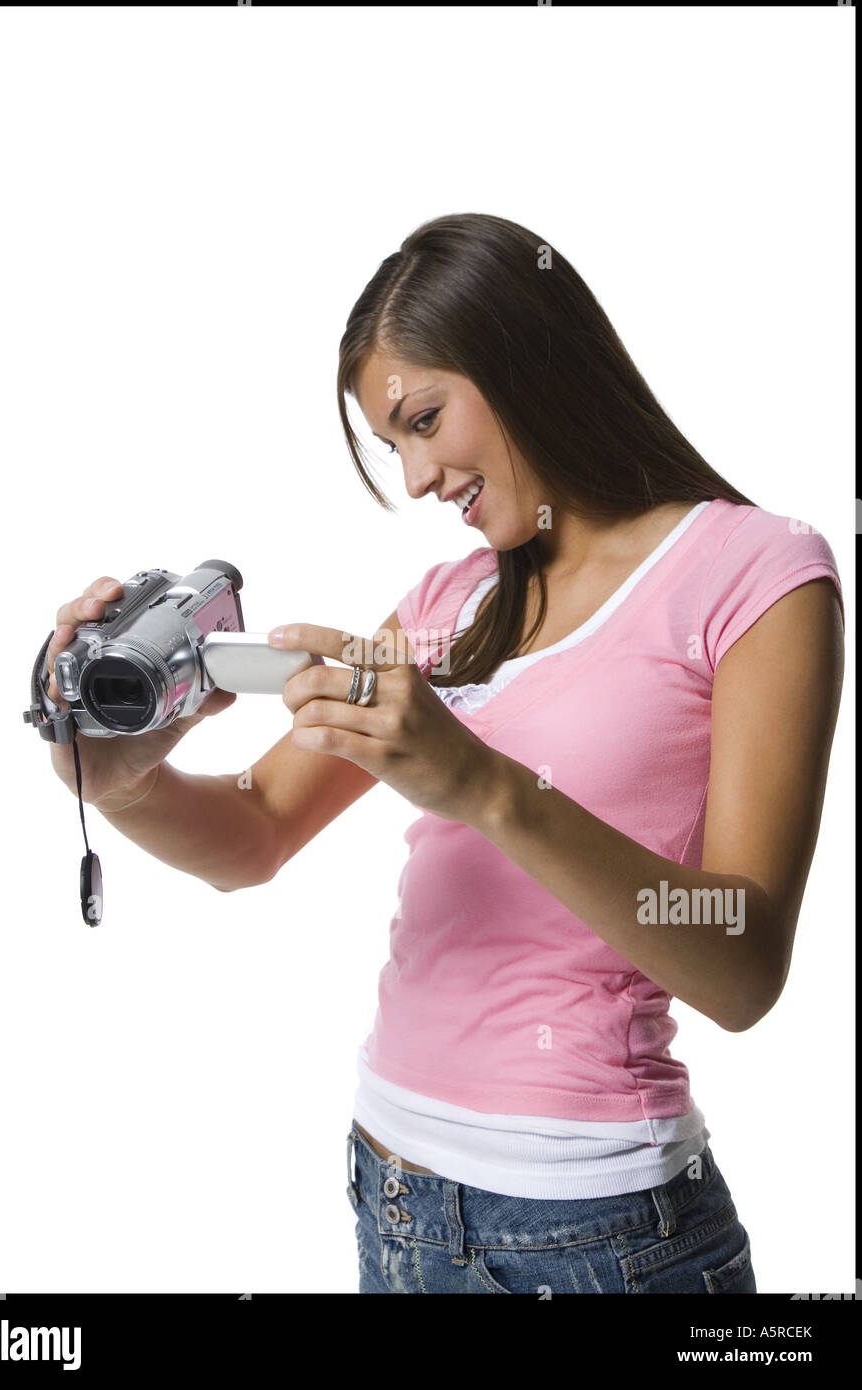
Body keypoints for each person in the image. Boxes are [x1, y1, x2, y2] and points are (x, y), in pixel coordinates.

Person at [43, 213, 844, 1294]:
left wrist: (482, 786)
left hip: (598, 1231)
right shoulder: (447, 603)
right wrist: (121, 780)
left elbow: (741, 956)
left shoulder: (753, 573)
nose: (416, 478)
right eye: (392, 446)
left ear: (522, 356)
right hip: (392, 1188)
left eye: (423, 420)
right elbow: (254, 830)